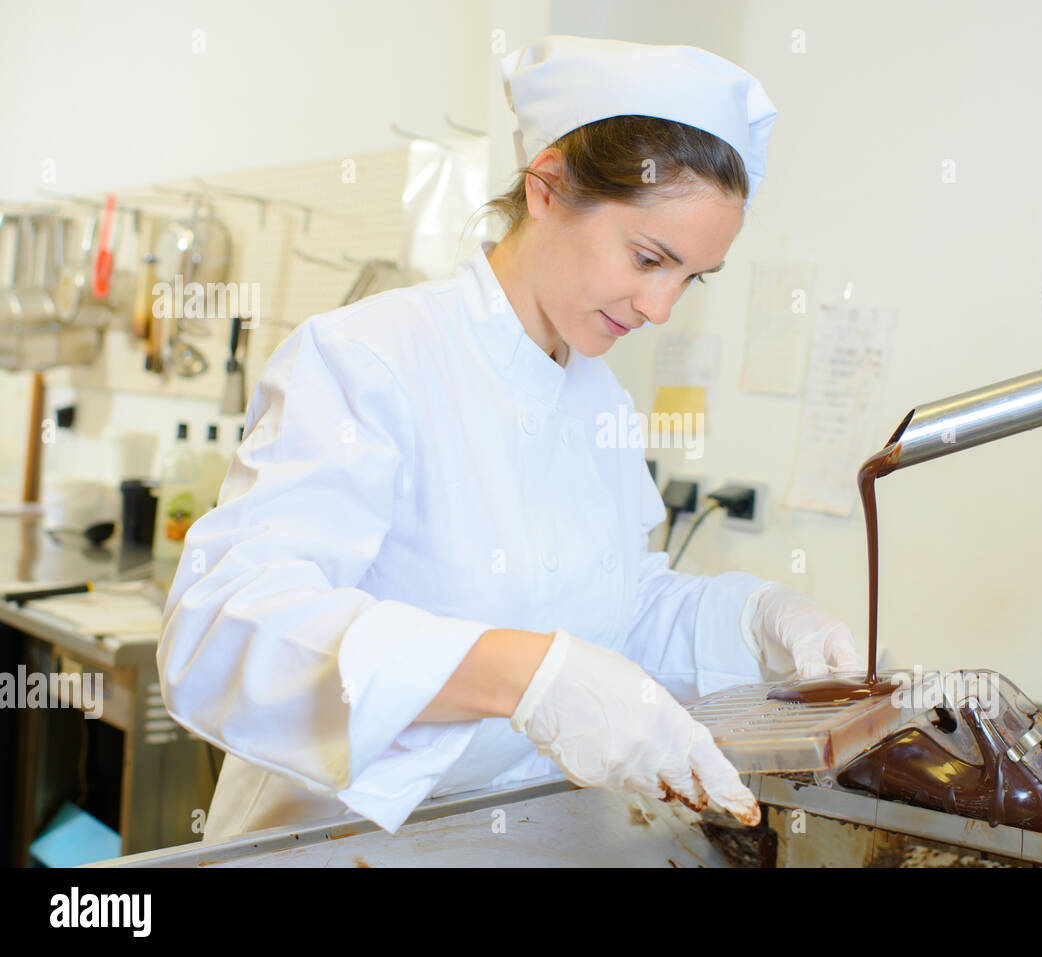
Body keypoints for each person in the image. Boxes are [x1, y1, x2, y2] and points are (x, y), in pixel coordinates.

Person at [158, 34, 864, 845]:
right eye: (647, 257)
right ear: (547, 188)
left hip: (522, 839)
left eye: (690, 276)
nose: (662, 307)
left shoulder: (601, 400)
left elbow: (612, 612)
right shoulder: (370, 359)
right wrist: (520, 673)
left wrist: (755, 620)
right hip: (336, 845)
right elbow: (221, 626)